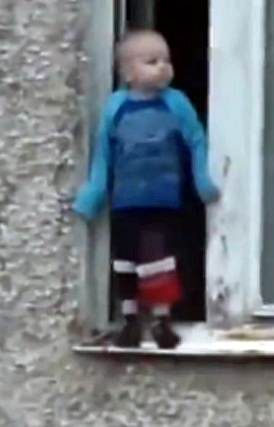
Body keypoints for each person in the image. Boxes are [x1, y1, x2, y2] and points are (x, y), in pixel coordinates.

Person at [73, 29, 220, 349]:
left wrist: (202, 180)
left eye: (166, 60)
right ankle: (130, 322)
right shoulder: (116, 107)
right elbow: (103, 153)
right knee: (125, 260)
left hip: (163, 199)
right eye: (152, 61)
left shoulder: (176, 103)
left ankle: (161, 320)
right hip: (126, 201)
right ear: (128, 72)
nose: (163, 67)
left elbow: (196, 140)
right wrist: (93, 194)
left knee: (159, 259)